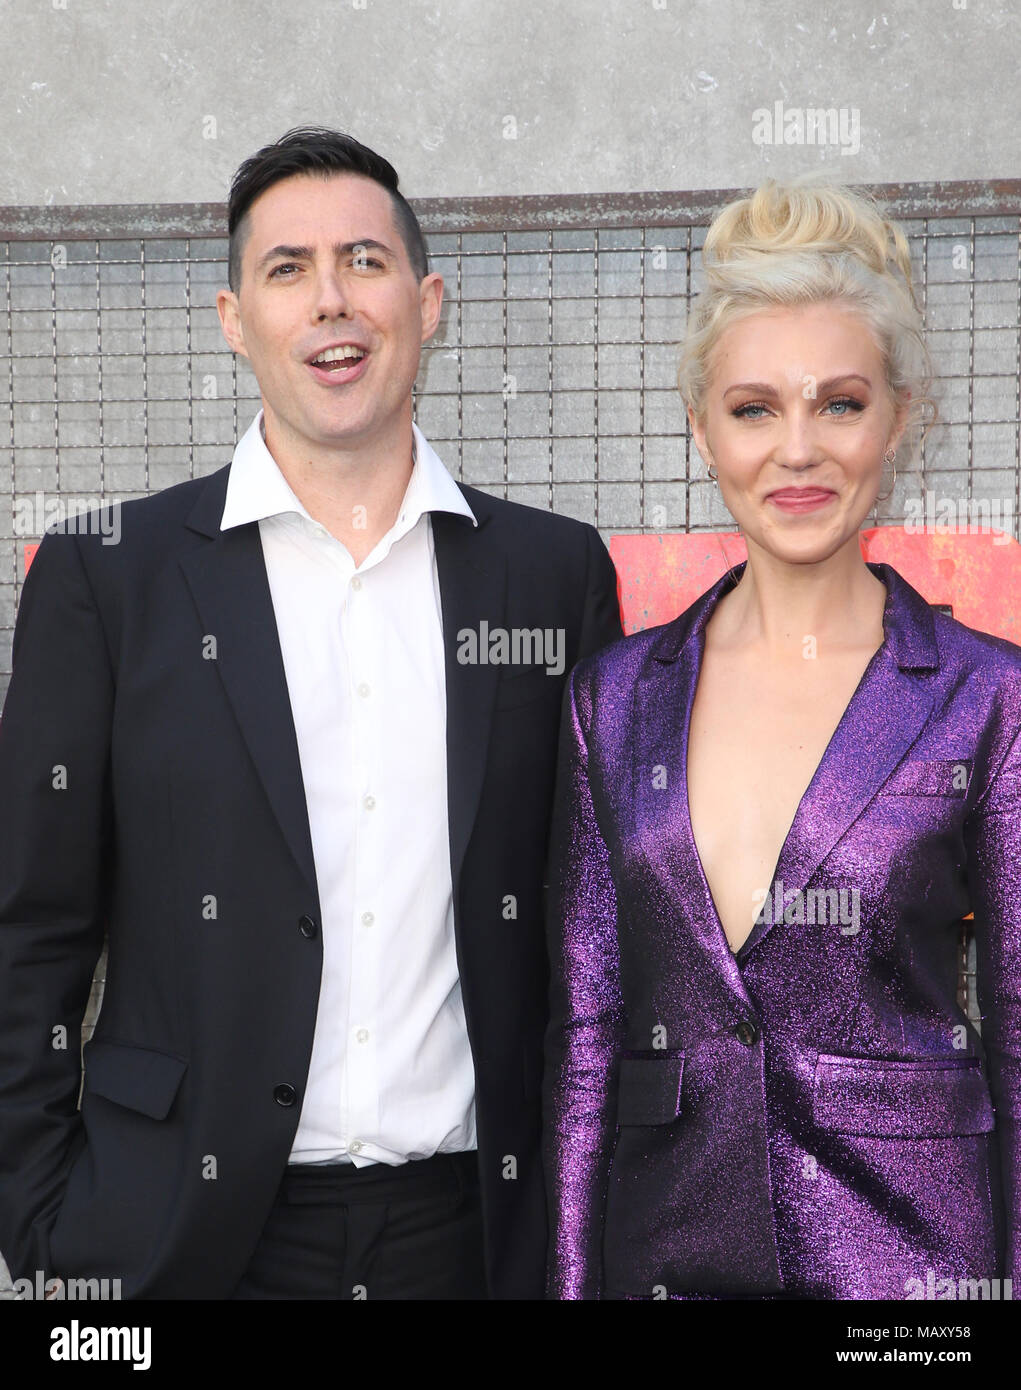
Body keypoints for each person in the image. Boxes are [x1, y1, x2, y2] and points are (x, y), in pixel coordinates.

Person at [0, 126, 622, 1301]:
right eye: (287, 269)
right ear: (235, 318)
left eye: (365, 262)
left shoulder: (550, 575)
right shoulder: (106, 579)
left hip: (477, 1236)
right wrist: (39, 1209)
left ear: (428, 302)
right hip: (178, 1238)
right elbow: (29, 923)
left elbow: (588, 924)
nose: (330, 300)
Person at [542, 176, 1021, 1300]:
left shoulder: (986, 699)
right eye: (755, 408)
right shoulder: (612, 699)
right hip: (664, 1256)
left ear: (898, 417)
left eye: (838, 404)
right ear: (702, 427)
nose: (796, 450)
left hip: (909, 1274)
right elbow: (584, 1039)